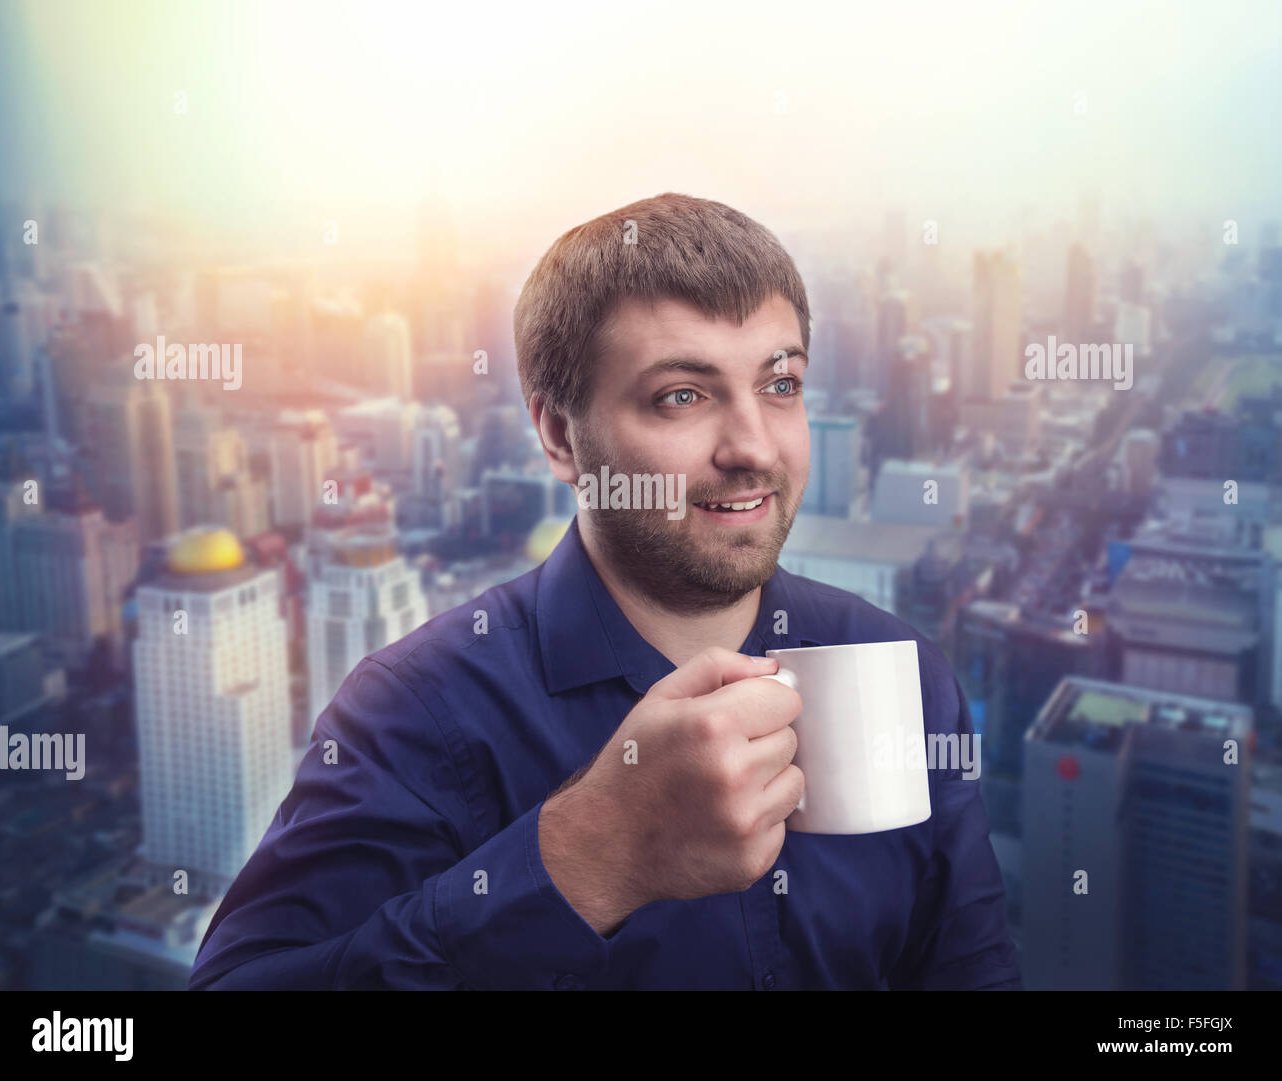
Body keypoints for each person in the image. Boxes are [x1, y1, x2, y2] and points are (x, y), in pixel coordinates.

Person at [189, 192, 1021, 990]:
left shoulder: (903, 673)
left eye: (780, 384)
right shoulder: (418, 712)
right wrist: (586, 859)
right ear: (559, 434)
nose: (753, 447)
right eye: (682, 396)